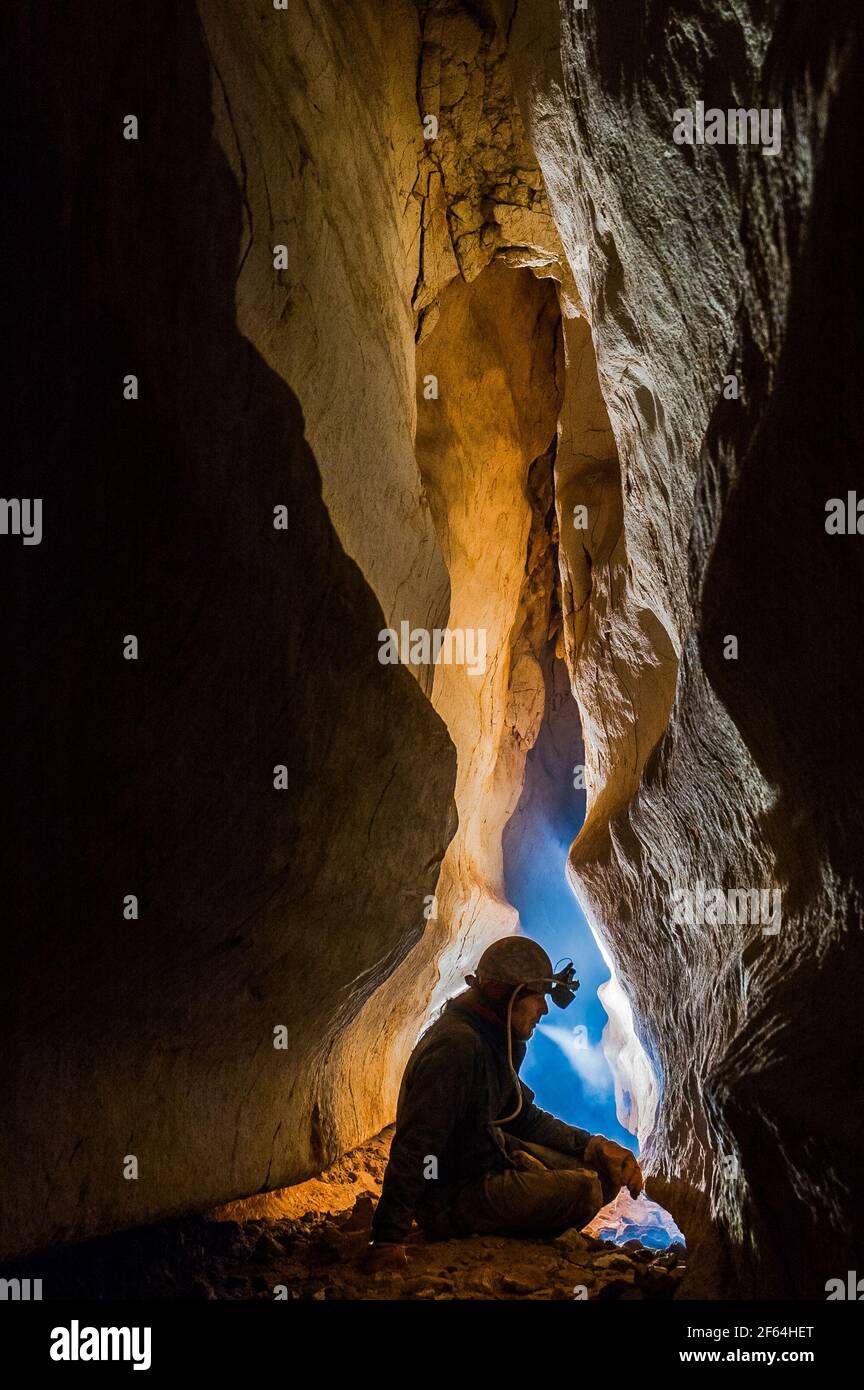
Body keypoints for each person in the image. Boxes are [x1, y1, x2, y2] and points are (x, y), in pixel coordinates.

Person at [367, 935, 643, 1269]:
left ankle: (522, 1220)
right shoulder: (458, 1046)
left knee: (603, 1173)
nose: (544, 1008)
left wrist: (592, 1146)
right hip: (449, 1196)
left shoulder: (495, 1038)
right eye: (536, 995)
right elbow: (418, 1145)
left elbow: (522, 1115)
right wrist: (387, 1238)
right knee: (584, 1190)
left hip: (485, 1160)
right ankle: (508, 1235)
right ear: (503, 993)